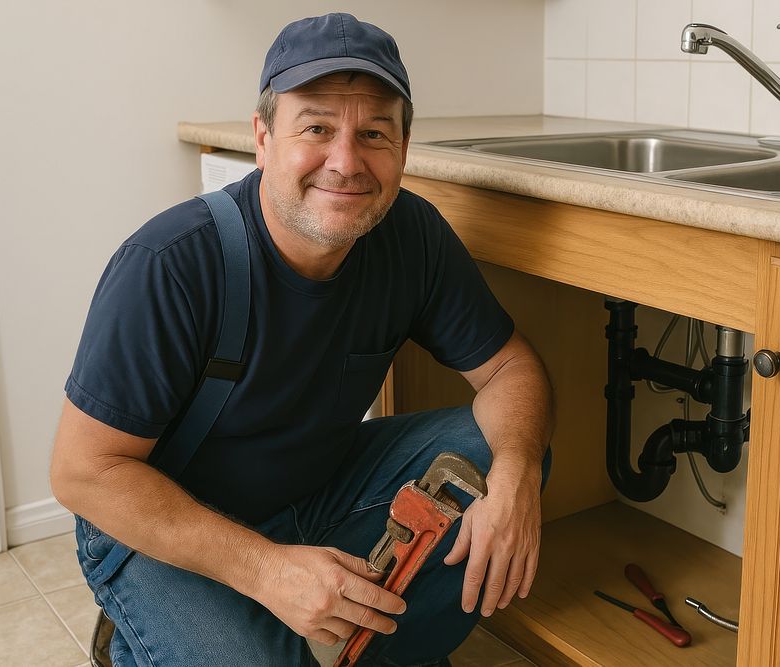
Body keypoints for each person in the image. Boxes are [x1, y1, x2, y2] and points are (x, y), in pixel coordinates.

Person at [50, 13, 553, 667]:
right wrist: (266, 571)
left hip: (315, 488)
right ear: (263, 139)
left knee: (505, 452)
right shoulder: (171, 263)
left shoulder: (413, 236)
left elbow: (512, 369)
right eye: (316, 128)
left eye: (373, 133)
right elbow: (83, 472)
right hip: (159, 529)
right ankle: (143, 635)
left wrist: (515, 475)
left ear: (403, 148)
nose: (345, 162)